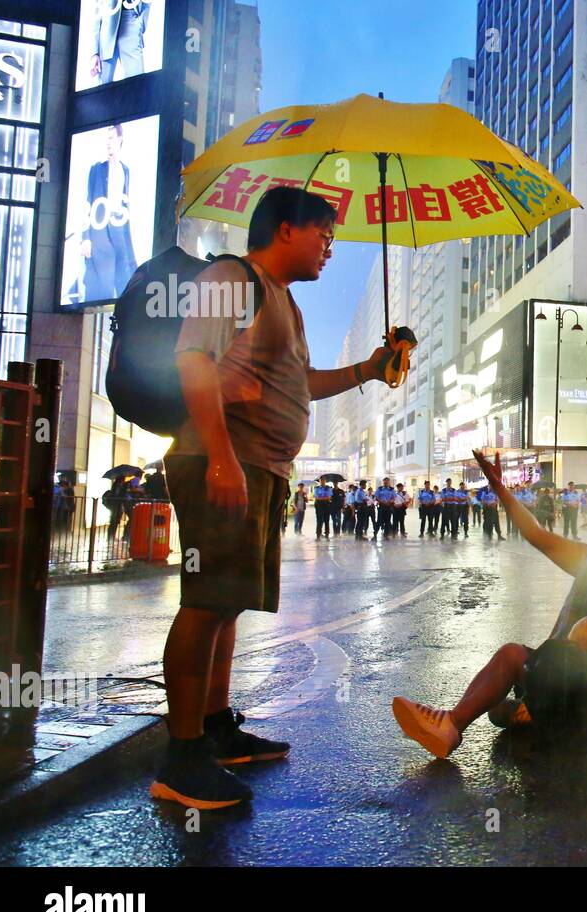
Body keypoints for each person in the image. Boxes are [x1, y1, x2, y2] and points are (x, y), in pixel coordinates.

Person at [154, 185, 397, 809]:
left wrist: (368, 370)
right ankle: (181, 763)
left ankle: (214, 730)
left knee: (227, 605)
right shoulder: (233, 278)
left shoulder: (284, 302)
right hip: (224, 463)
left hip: (262, 467)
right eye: (325, 234)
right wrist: (222, 458)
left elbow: (302, 383)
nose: (330, 249)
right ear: (286, 229)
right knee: (206, 604)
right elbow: (193, 361)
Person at [392, 450, 587, 758]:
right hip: (581, 670)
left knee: (513, 664)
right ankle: (460, 722)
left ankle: (472, 720)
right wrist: (500, 488)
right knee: (501, 693)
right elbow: (535, 533)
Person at [80, 125, 138, 301]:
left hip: (119, 233)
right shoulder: (96, 169)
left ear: (120, 140)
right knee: (100, 289)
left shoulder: (125, 170)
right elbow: (88, 203)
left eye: (111, 138)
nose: (108, 143)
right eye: (106, 139)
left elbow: (125, 206)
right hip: (100, 235)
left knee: (125, 287)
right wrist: (85, 237)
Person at [85, 0, 151, 85]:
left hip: (130, 19)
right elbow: (96, 10)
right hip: (107, 28)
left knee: (137, 84)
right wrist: (94, 52)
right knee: (102, 87)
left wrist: (141, 23)